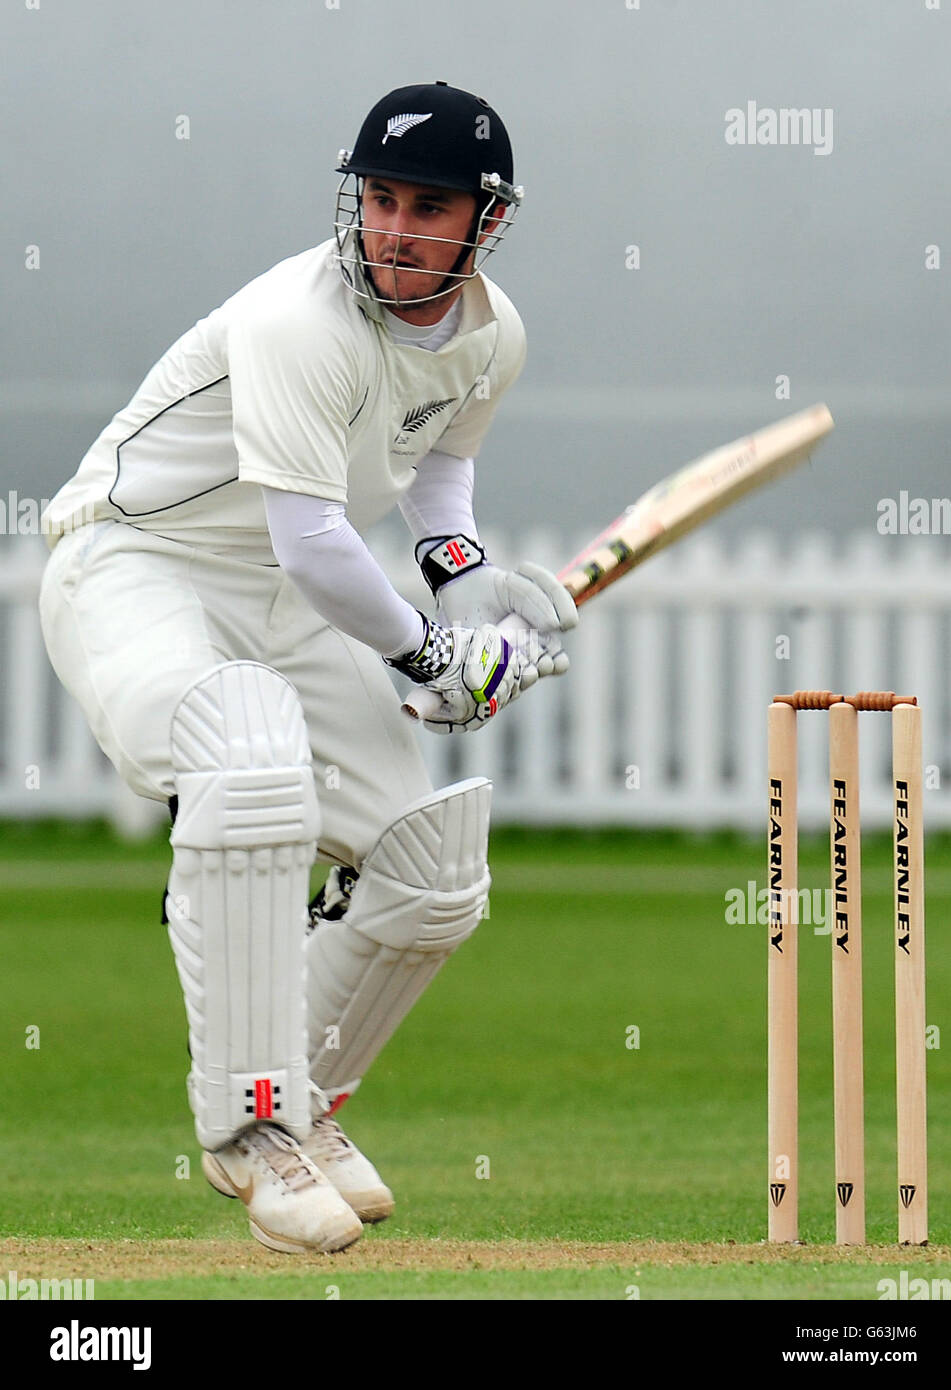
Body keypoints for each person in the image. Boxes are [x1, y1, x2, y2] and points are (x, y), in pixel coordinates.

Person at [38, 81, 577, 1255]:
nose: (390, 228)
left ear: (485, 222)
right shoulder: (301, 319)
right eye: (377, 198)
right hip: (137, 565)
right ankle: (251, 1129)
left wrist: (463, 582)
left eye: (424, 206)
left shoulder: (493, 334)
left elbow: (435, 475)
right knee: (246, 751)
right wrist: (431, 654)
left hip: (277, 601)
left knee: (432, 868)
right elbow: (317, 541)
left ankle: (307, 1103)